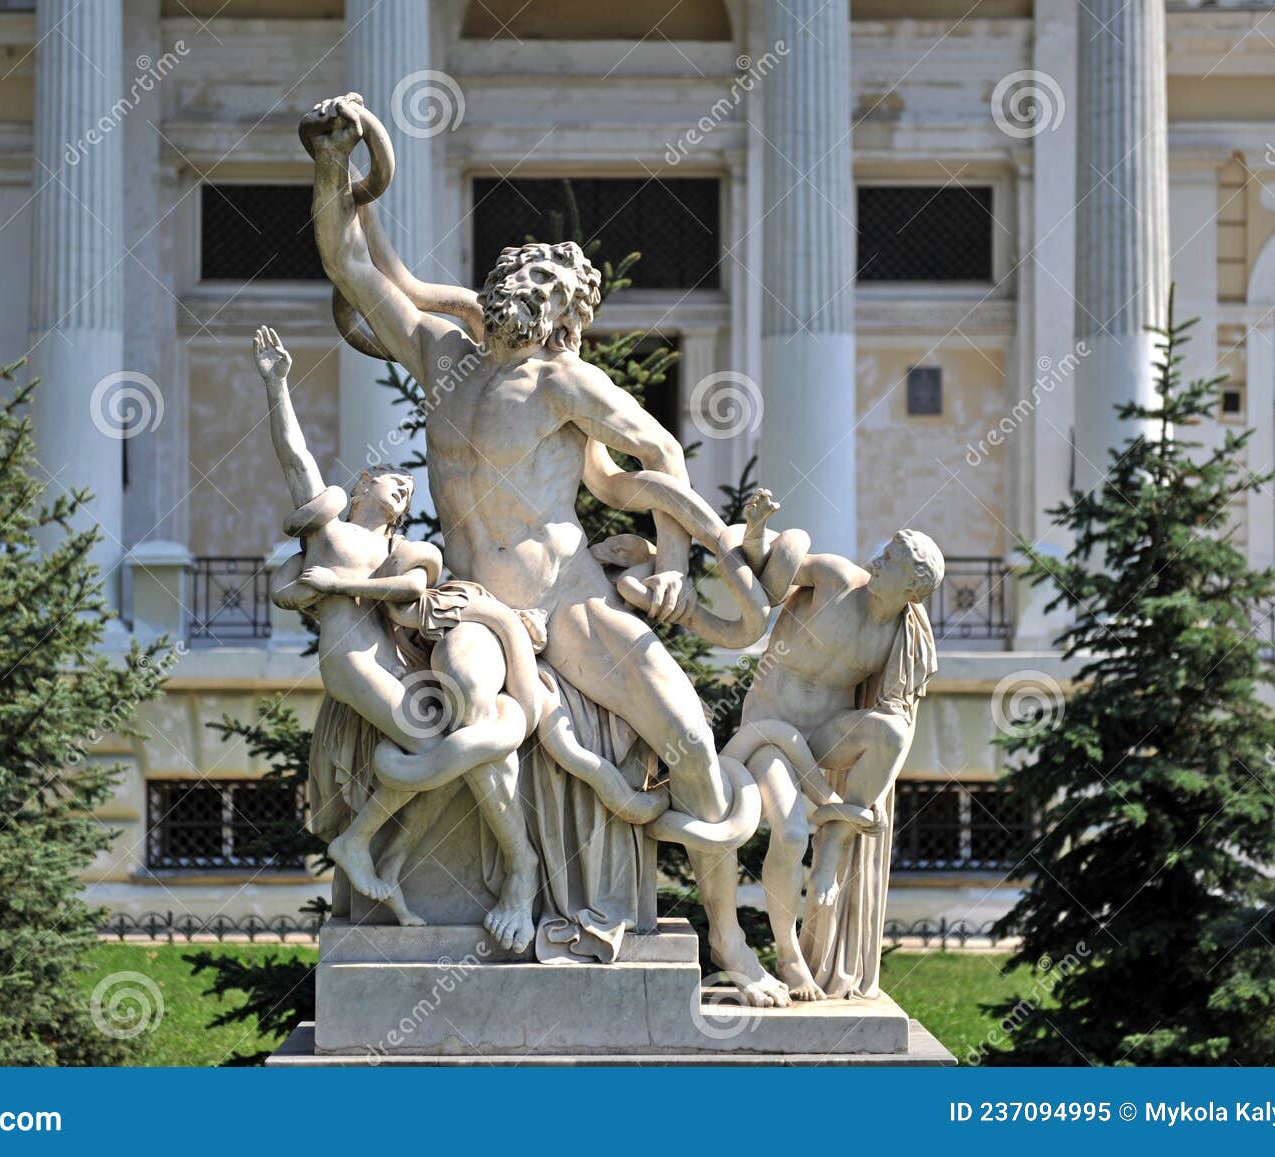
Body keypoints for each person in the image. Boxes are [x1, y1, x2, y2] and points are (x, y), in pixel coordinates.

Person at [306, 94, 787, 1001]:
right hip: (477, 606)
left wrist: (677, 568)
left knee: (688, 737)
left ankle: (729, 935)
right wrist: (335, 167)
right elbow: (353, 264)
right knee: (471, 706)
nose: (532, 296)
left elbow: (660, 456)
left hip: (570, 604)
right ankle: (511, 877)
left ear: (567, 315)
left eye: (551, 293)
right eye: (525, 281)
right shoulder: (442, 354)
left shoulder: (568, 380)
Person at [252, 326, 543, 952]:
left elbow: (414, 590)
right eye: (393, 484)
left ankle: (366, 847)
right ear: (360, 488)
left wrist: (335, 586)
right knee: (445, 748)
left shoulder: (397, 549)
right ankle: (370, 847)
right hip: (350, 660)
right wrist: (277, 383)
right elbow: (294, 457)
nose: (403, 493)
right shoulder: (330, 530)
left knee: (446, 747)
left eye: (409, 493)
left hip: (387, 656)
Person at [736, 512, 944, 1001]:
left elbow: (898, 713)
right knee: (788, 834)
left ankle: (831, 848)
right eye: (887, 548)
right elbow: (769, 575)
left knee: (890, 732)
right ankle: (788, 955)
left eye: (890, 558)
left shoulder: (901, 636)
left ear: (911, 587)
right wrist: (756, 528)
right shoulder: (834, 577)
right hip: (771, 728)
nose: (877, 557)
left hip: (826, 734)